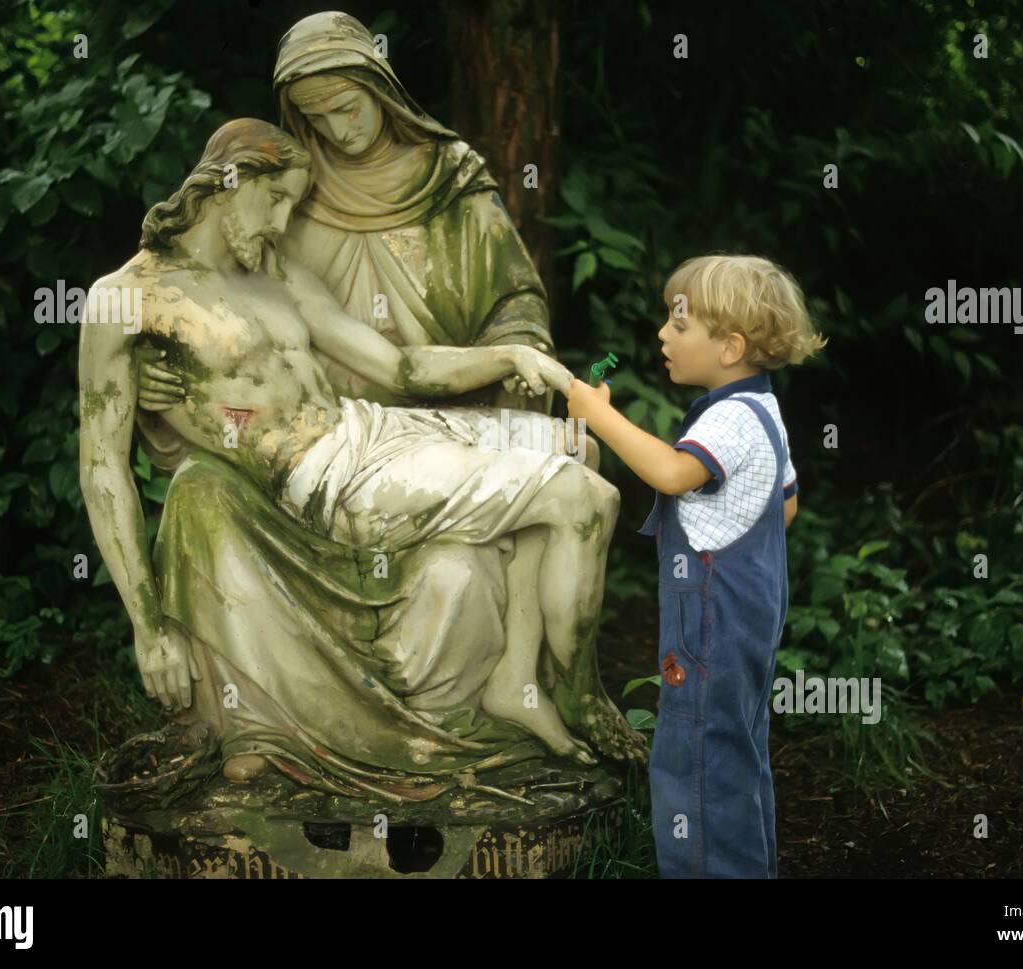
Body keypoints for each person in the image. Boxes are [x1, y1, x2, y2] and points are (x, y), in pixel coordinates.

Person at [82, 119, 643, 802]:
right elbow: (101, 466)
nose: (284, 221)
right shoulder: (125, 299)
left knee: (575, 445)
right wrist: (147, 625)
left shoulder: (274, 270)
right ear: (231, 181)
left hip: (374, 429)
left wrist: (511, 355)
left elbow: (398, 364)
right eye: (279, 200)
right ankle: (583, 696)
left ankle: (516, 679)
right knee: (587, 499)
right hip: (329, 480)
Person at [567, 254, 826, 877]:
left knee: (695, 760)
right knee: (735, 751)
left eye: (679, 324)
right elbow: (784, 506)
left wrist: (598, 414)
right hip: (749, 610)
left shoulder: (731, 417)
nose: (663, 333)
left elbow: (671, 472)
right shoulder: (763, 411)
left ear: (731, 346)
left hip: (712, 615)